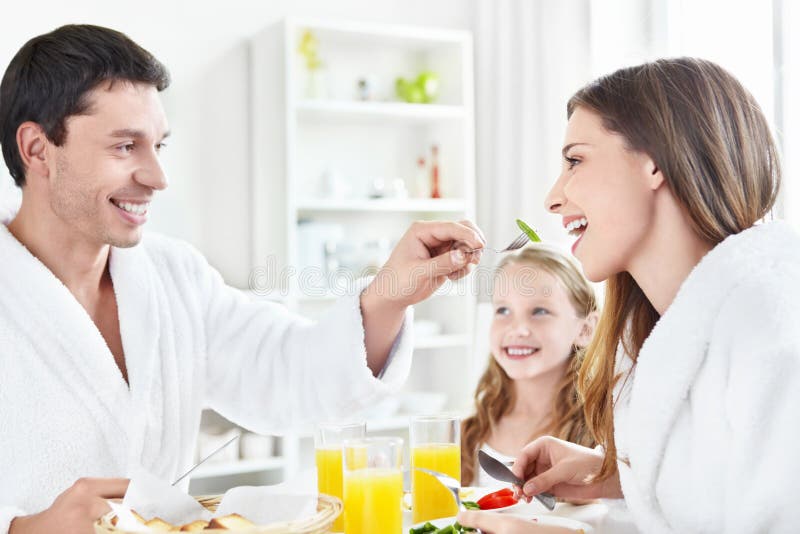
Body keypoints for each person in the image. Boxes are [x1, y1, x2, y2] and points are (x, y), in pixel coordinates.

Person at [0, 25, 486, 534]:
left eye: (159, 145)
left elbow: (288, 371)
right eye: (125, 147)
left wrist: (387, 297)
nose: (158, 176)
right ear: (37, 149)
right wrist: (23, 529)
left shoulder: (174, 279)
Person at [458, 56, 800, 533]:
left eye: (575, 159)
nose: (553, 198)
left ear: (655, 161)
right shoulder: (663, 337)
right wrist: (616, 476)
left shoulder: (773, 322)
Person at [460, 245, 597, 487]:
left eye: (540, 311)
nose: (517, 329)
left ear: (585, 329)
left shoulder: (602, 433)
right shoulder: (469, 434)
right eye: (503, 310)